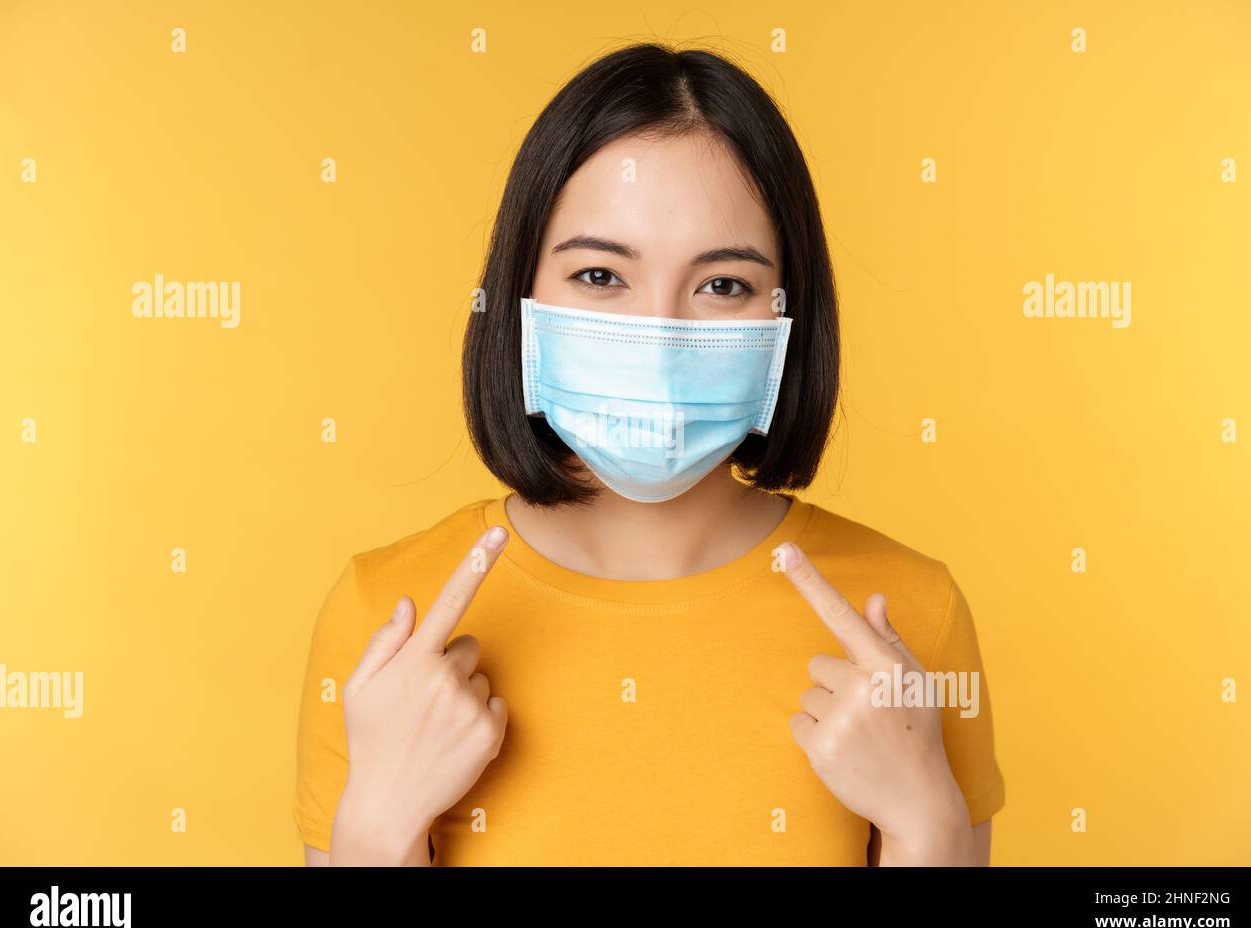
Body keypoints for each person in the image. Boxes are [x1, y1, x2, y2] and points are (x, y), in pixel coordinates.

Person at [294, 42, 1004, 866]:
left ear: (789, 316)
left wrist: (928, 826)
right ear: (520, 297)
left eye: (722, 285)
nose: (659, 337)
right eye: (600, 276)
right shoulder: (384, 622)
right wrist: (378, 830)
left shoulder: (913, 617)